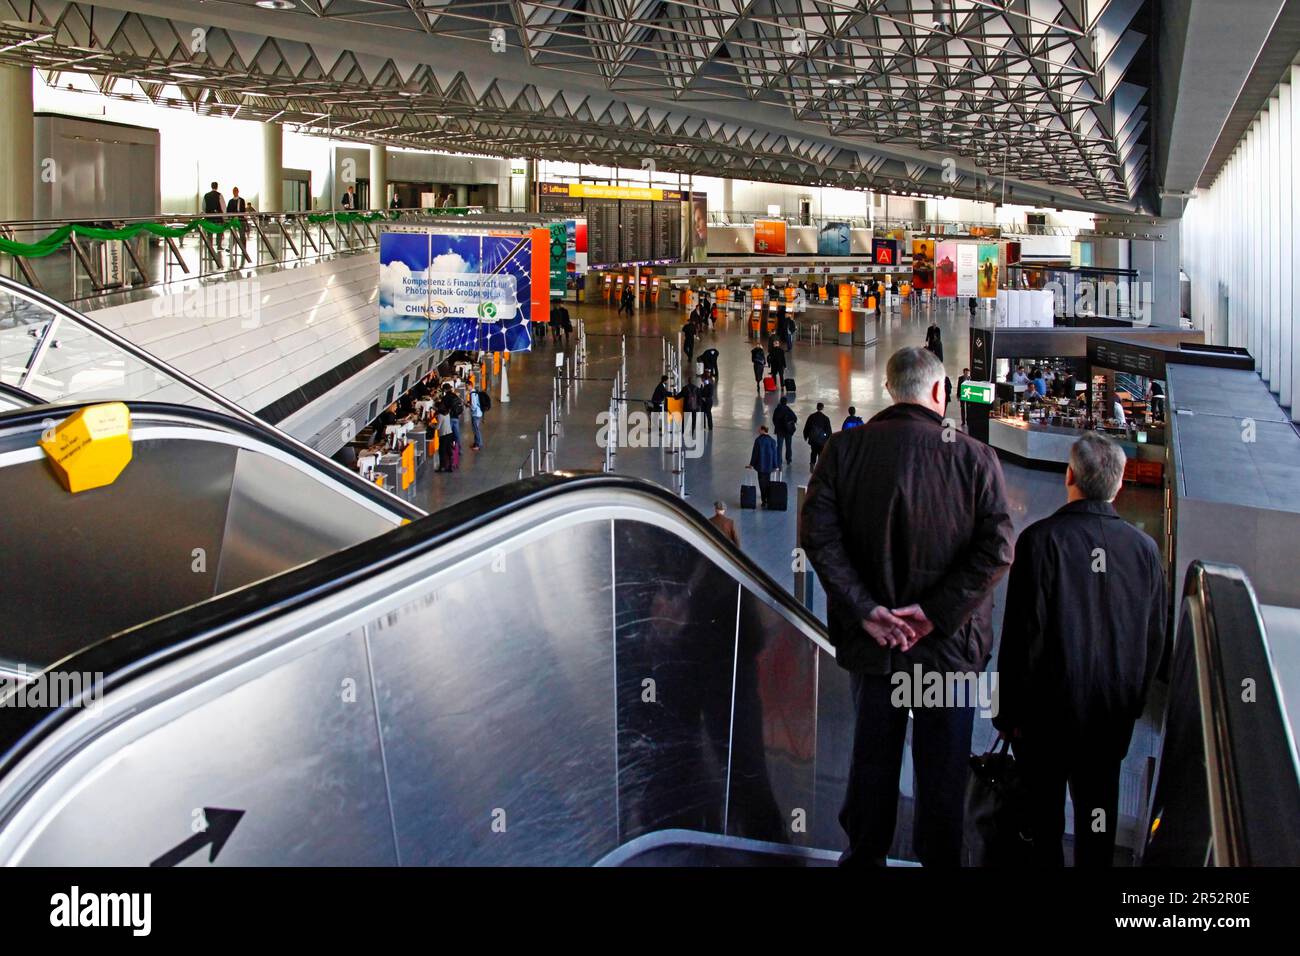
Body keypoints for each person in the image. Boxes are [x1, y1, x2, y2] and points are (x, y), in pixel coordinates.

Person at [800, 346, 1014, 867]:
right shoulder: (974, 458)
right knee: (942, 771)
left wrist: (868, 610)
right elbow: (998, 550)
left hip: (876, 650)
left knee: (872, 758)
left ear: (892, 390)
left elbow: (819, 537)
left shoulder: (845, 453)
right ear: (940, 392)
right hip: (949, 652)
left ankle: (865, 854)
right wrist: (935, 613)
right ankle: (940, 859)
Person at [994, 433, 1166, 867]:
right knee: (1097, 818)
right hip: (1108, 718)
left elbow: (1021, 637)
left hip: (1044, 719)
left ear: (1069, 475)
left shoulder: (1040, 541)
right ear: (1119, 483)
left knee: (1042, 820)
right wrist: (1132, 701)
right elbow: (1154, 638)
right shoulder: (1145, 551)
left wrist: (1008, 714)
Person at [747, 426, 780, 508]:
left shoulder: (758, 441)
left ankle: (764, 500)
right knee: (768, 482)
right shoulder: (772, 441)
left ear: (763, 430)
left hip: (760, 466)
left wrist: (751, 464)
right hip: (769, 466)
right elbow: (775, 455)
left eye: (759, 429)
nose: (758, 430)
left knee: (762, 483)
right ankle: (768, 498)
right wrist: (776, 465)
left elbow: (755, 454)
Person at [803, 401, 832, 469]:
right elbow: (828, 430)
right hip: (822, 440)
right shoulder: (825, 418)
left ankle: (812, 464)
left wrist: (806, 435)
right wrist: (828, 439)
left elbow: (807, 427)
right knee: (821, 453)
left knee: (813, 452)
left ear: (816, 407)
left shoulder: (811, 416)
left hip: (813, 439)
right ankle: (819, 467)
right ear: (822, 408)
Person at [772, 395, 797, 466]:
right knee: (788, 446)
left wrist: (777, 426)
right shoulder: (788, 409)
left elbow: (774, 419)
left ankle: (779, 461)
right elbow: (795, 418)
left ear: (780, 402)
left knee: (779, 447)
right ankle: (788, 459)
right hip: (788, 431)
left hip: (780, 431)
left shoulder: (777, 409)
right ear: (786, 402)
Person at [225, 187, 248, 262]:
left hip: (240, 220)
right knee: (233, 234)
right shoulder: (230, 201)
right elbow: (228, 210)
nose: (234, 192)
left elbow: (243, 211)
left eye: (236, 191)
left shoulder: (241, 200)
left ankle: (243, 249)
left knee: (242, 235)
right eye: (233, 191)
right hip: (233, 220)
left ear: (238, 191)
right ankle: (230, 247)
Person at [202, 181, 225, 250]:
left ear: (211, 186)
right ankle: (219, 245)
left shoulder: (206, 195)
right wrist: (224, 216)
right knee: (219, 231)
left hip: (209, 218)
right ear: (217, 187)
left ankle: (210, 245)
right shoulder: (219, 195)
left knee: (209, 232)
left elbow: (203, 207)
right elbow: (223, 206)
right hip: (218, 217)